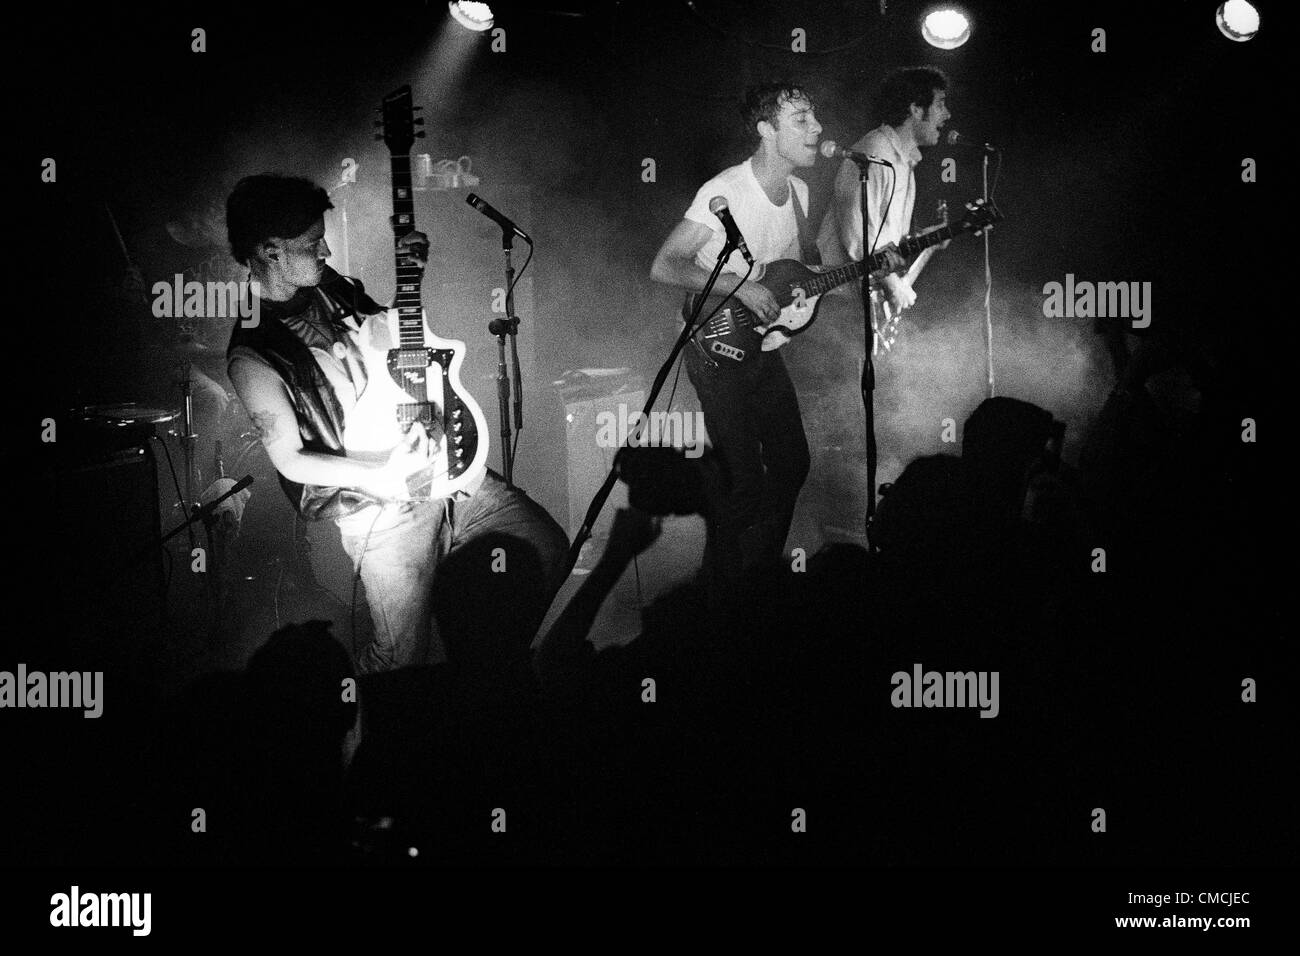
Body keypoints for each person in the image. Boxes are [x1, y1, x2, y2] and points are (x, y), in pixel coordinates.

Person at [224, 173, 568, 673]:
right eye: (312, 243)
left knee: (545, 548)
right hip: (380, 509)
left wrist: (412, 277)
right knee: (398, 658)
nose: (325, 251)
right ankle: (354, 730)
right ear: (270, 250)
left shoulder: (331, 288)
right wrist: (384, 472)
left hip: (445, 477)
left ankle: (476, 672)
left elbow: (395, 338)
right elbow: (290, 460)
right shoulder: (253, 351)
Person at [651, 82, 851, 584]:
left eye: (815, 116)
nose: (817, 128)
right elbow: (665, 264)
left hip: (761, 345)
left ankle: (756, 573)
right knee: (745, 482)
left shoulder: (801, 193)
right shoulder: (728, 191)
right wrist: (737, 289)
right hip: (714, 345)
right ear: (767, 130)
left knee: (791, 464)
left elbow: (793, 275)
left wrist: (850, 276)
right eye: (801, 119)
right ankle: (715, 590)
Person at [817, 67, 951, 327]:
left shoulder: (905, 162)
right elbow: (857, 237)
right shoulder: (874, 153)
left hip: (862, 299)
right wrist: (893, 285)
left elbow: (884, 242)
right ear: (915, 109)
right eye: (940, 104)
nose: (947, 115)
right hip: (838, 299)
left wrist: (925, 242)